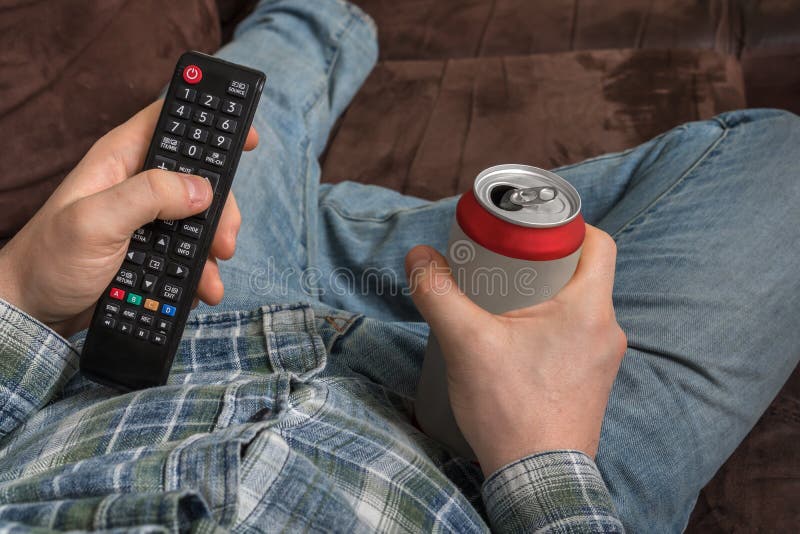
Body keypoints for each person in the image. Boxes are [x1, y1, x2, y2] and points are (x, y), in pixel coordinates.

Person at [0, 1, 798, 532]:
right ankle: (369, 243)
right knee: (783, 161)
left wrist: (18, 291)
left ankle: (319, 22)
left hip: (181, 335)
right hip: (494, 462)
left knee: (259, 96)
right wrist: (544, 464)